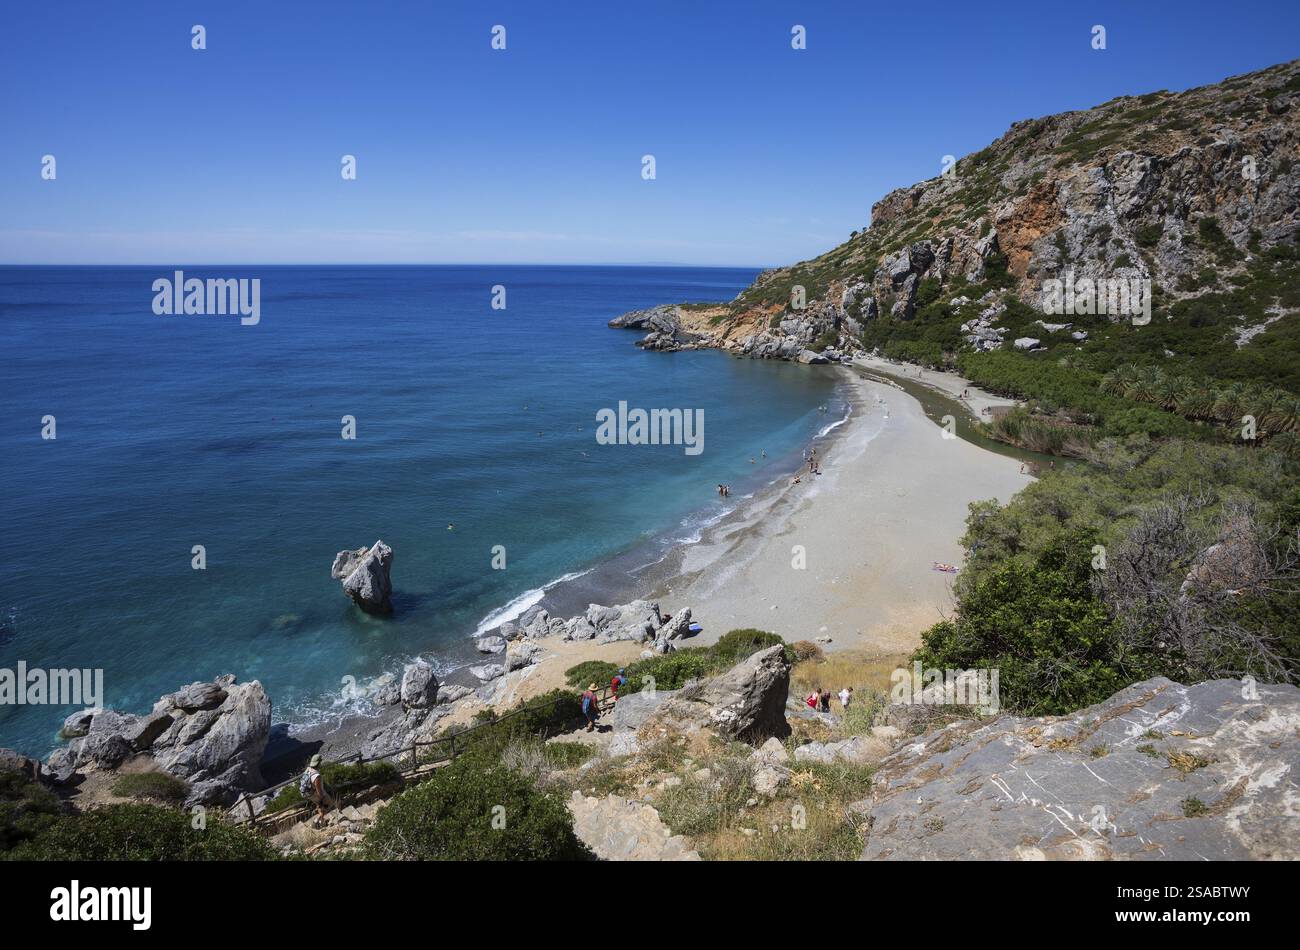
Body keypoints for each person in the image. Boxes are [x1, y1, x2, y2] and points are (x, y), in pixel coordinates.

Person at [300, 754, 336, 825]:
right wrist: (323, 800)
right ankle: (316, 821)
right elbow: (319, 790)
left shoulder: (308, 769)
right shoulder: (317, 776)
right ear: (318, 763)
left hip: (307, 793)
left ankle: (321, 822)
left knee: (320, 805)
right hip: (314, 793)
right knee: (328, 804)